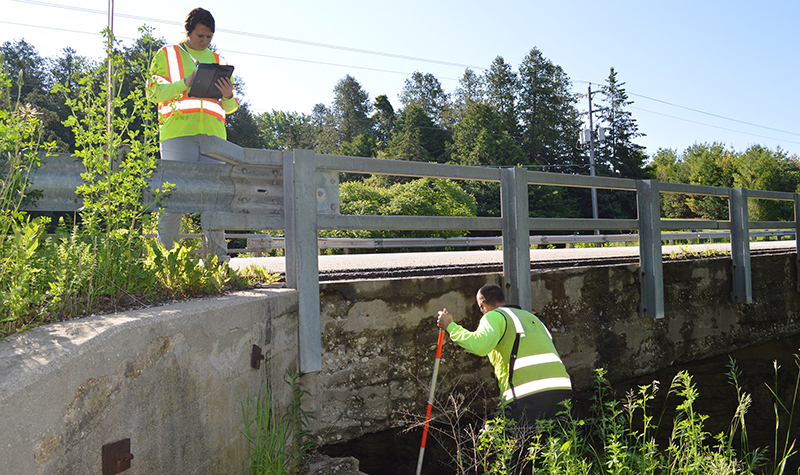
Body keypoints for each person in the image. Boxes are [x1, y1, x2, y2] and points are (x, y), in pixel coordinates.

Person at [147, 7, 238, 262]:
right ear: (187, 32)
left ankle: (218, 261)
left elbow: (230, 107)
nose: (205, 41)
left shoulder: (219, 61)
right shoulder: (167, 55)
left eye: (209, 36)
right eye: (200, 35)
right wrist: (185, 83)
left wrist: (229, 96)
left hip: (214, 138)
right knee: (173, 197)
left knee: (213, 200)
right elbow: (153, 93)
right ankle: (167, 260)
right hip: (178, 134)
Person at [436, 284, 572, 426]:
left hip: (526, 396)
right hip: (562, 392)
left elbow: (479, 345)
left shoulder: (494, 316)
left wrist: (450, 326)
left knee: (519, 446)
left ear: (483, 305)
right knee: (554, 444)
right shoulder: (531, 317)